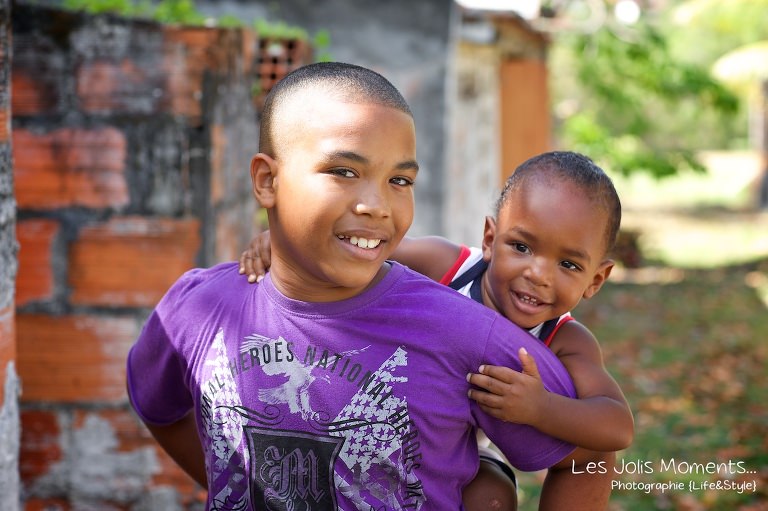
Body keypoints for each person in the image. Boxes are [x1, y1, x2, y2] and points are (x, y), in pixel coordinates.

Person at [127, 62, 615, 511]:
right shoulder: (198, 309)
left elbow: (594, 449)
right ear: (266, 180)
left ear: (597, 278)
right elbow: (158, 404)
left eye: (399, 181)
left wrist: (541, 409)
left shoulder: (478, 336)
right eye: (344, 171)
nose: (376, 206)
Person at [240, 151, 634, 508]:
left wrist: (541, 408)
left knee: (507, 491)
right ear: (490, 239)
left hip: (464, 448)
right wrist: (288, 245)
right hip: (388, 417)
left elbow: (617, 424)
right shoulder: (445, 265)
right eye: (522, 248)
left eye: (568, 265)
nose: (538, 274)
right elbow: (363, 247)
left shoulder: (566, 340)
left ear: (596, 280)